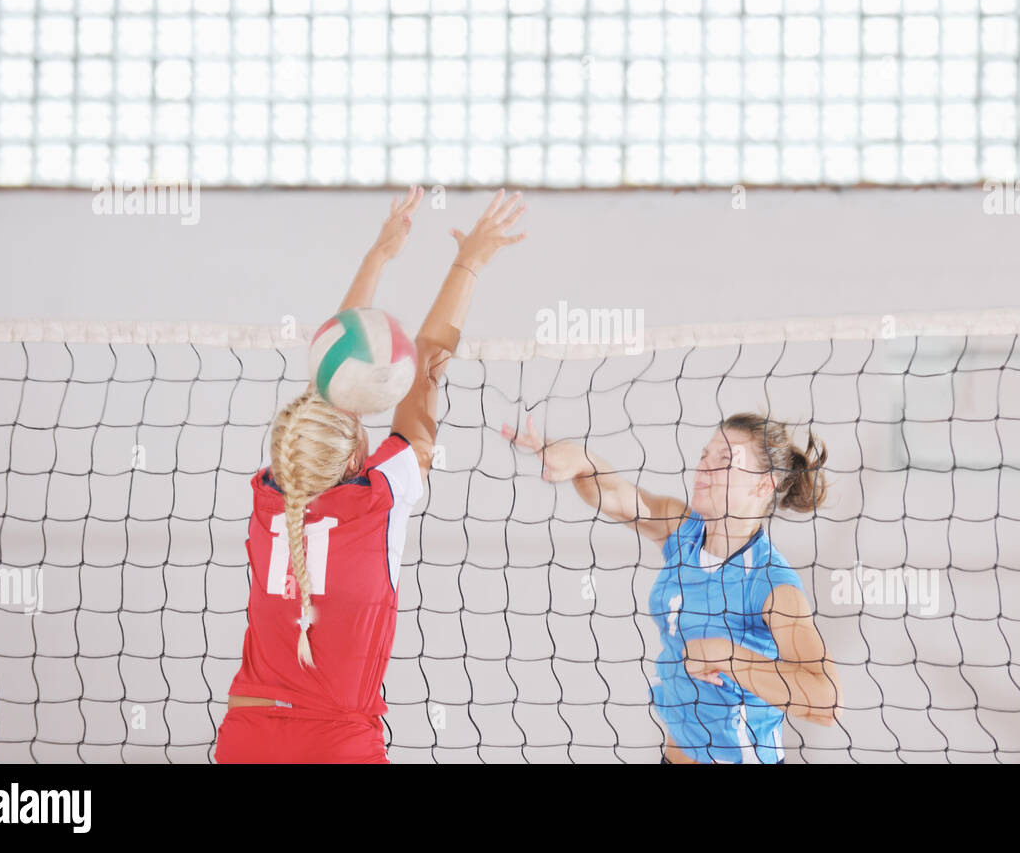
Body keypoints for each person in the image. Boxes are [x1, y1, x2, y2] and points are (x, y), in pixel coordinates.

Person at [215, 187, 528, 762]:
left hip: (247, 737)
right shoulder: (381, 495)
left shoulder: (269, 495)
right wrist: (470, 261)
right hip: (337, 743)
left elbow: (333, 370)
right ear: (358, 455)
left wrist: (378, 256)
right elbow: (428, 358)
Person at [504, 412, 842, 763]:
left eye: (725, 460)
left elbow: (826, 701)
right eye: (704, 456)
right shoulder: (683, 531)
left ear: (763, 485)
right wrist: (581, 461)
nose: (704, 468)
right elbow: (616, 496)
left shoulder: (772, 583)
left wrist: (729, 656)